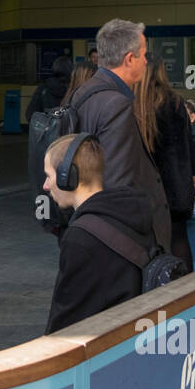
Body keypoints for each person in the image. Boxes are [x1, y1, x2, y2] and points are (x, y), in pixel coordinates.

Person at [67, 19, 172, 252]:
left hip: (90, 221)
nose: (146, 61)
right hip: (118, 237)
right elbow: (118, 182)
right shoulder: (117, 104)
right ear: (129, 59)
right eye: (143, 54)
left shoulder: (84, 92)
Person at [41, 134, 151, 334]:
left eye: (49, 176)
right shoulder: (130, 211)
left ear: (68, 177)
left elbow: (66, 319)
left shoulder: (81, 239)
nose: (45, 186)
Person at [134, 54, 195, 271]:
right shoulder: (177, 101)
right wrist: (194, 180)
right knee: (180, 238)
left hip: (151, 188)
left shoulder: (137, 104)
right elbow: (189, 145)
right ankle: (185, 290)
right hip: (179, 184)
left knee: (150, 243)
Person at [26, 55, 72, 123]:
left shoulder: (43, 88)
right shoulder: (74, 89)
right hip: (69, 131)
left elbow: (29, 115)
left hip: (47, 131)